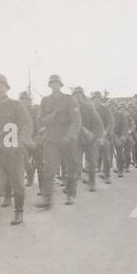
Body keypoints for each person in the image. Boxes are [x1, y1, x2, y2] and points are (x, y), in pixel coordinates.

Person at [0, 74, 32, 232]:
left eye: (1, 86)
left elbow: (26, 124)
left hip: (13, 151)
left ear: (7, 88)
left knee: (17, 184)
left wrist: (21, 142)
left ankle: (18, 212)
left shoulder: (16, 105)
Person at [34, 74, 80, 208]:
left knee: (71, 167)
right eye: (52, 83)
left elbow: (76, 120)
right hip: (51, 138)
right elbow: (40, 120)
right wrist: (51, 116)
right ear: (49, 85)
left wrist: (70, 136)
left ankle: (70, 194)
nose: (54, 85)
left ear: (60, 85)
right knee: (49, 168)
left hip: (67, 137)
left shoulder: (69, 99)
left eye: (56, 83)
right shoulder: (45, 101)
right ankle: (47, 199)